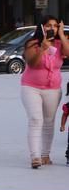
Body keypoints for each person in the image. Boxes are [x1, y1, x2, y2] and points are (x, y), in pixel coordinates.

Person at [22, 15, 69, 168]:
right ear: (41, 27)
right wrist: (42, 48)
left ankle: (45, 155)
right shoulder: (32, 43)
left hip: (53, 89)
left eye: (55, 26)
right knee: (36, 120)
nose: (52, 28)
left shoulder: (59, 43)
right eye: (48, 25)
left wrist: (62, 35)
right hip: (31, 87)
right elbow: (33, 64)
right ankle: (35, 157)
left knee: (49, 122)